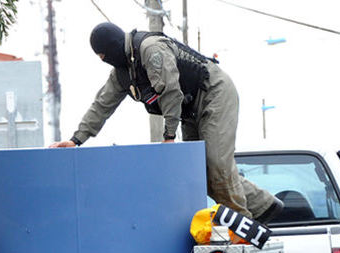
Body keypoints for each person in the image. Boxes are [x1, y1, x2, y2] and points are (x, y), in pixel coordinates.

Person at [50, 22, 283, 223]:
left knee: (216, 162)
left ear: (112, 47)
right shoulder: (122, 73)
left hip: (213, 92)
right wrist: (76, 140)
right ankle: (264, 205)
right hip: (189, 109)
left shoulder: (151, 50)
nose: (104, 60)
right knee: (197, 170)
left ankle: (241, 223)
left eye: (103, 55)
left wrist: (169, 136)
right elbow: (102, 105)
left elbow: (171, 92)